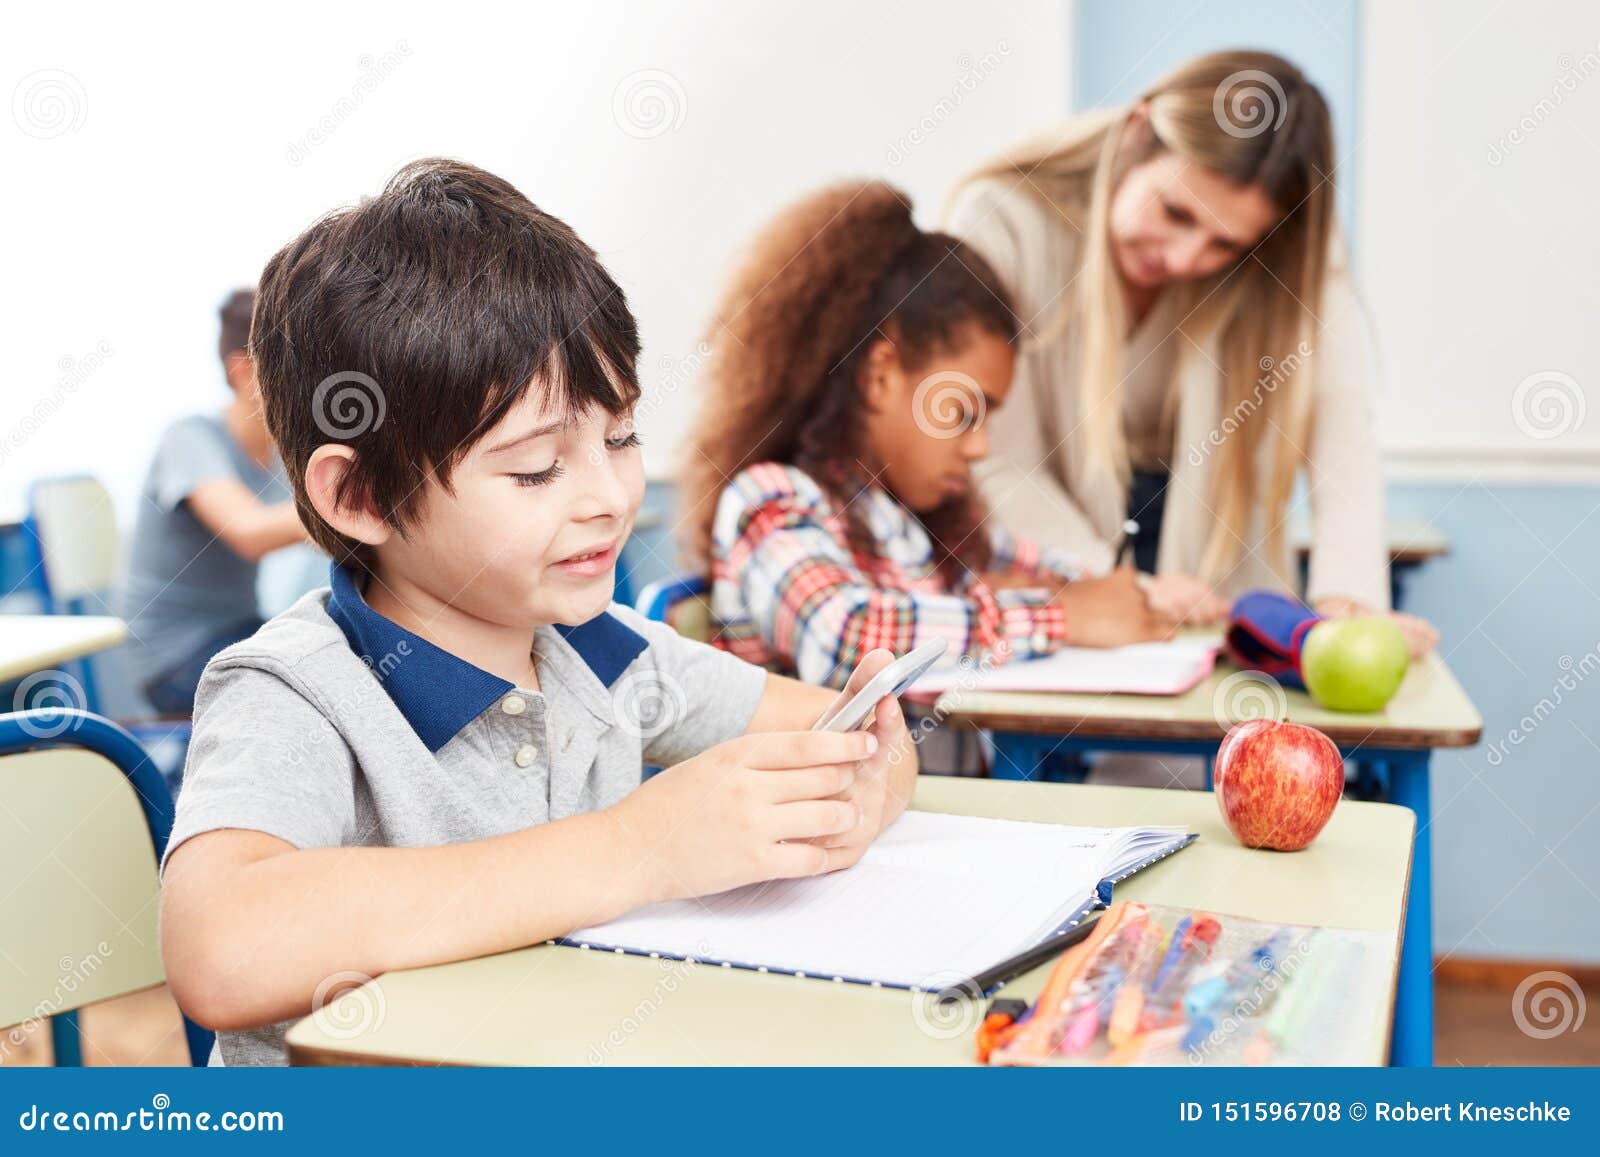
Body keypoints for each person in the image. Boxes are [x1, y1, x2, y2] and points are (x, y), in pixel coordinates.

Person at [158, 159, 917, 1066]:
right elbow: (223, 947)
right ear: (357, 494)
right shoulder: (297, 687)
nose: (608, 495)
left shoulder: (601, 646)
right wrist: (637, 847)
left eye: (623, 436)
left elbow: (842, 729)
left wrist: (859, 794)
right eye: (535, 469)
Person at [945, 49, 1436, 655]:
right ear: (1135, 132)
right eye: (1175, 212)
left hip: (1213, 560)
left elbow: (1341, 435)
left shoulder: (1292, 251)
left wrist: (1350, 605)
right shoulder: (1002, 220)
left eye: (1223, 245)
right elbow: (1000, 460)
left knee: (1211, 731)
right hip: (1049, 542)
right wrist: (1115, 584)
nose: (1182, 259)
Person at [680, 180, 1177, 735]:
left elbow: (1044, 563)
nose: (981, 446)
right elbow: (846, 636)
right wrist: (1060, 618)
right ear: (882, 375)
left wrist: (1142, 597)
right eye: (966, 412)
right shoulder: (771, 500)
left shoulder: (920, 517)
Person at [121, 290, 308, 714]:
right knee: (313, 684)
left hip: (242, 629)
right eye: (293, 362)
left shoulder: (282, 451)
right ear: (243, 373)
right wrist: (355, 505)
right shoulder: (189, 437)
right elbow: (250, 533)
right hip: (175, 656)